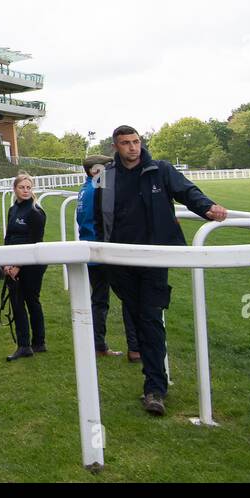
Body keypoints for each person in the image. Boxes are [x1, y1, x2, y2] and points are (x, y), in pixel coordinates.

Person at [93, 125, 227, 415]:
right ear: (116, 147)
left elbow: (187, 192)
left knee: (151, 320)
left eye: (136, 141)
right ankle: (151, 375)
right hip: (120, 262)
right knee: (140, 318)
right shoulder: (105, 177)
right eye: (126, 143)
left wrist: (208, 208)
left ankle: (155, 389)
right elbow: (97, 218)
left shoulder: (160, 170)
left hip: (154, 259)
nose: (133, 147)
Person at [78, 153, 139, 360]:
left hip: (90, 253)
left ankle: (99, 345)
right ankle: (135, 348)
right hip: (104, 252)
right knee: (130, 297)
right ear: (95, 171)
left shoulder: (84, 189)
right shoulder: (98, 190)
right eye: (109, 168)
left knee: (99, 301)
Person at [2, 172, 48, 361]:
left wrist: (18, 266)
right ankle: (24, 345)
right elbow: (8, 237)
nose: (26, 190)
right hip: (12, 264)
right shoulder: (13, 210)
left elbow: (33, 241)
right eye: (22, 187)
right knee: (17, 303)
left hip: (31, 265)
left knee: (31, 301)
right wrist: (6, 262)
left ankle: (38, 342)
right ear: (15, 189)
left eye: (29, 187)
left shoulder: (36, 212)